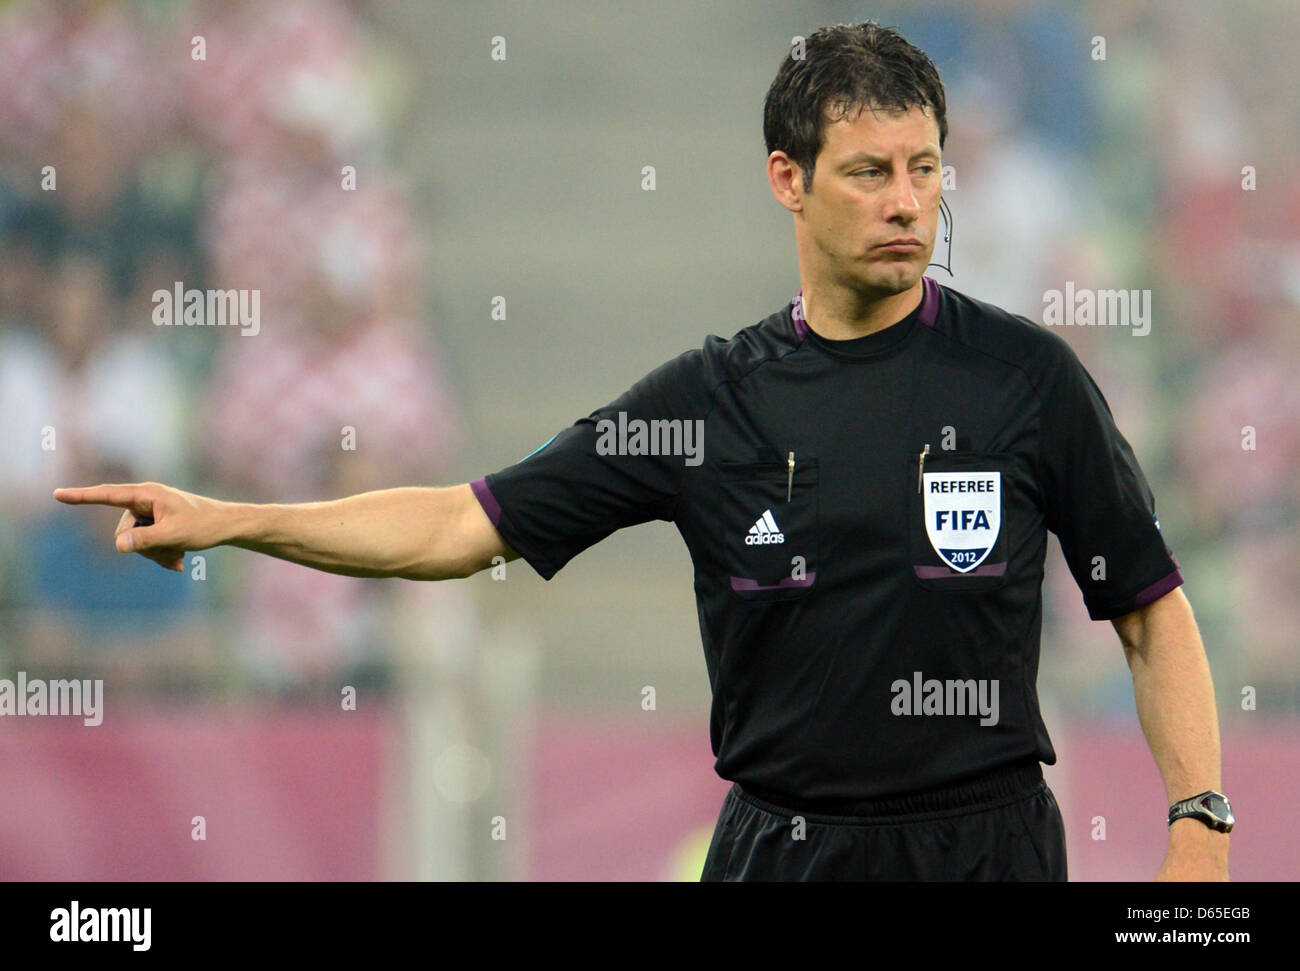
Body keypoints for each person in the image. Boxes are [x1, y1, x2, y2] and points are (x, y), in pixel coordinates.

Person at [54, 21, 1232, 881]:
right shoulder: (707, 403)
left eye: (924, 170)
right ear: (788, 179)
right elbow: (462, 523)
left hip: (987, 848)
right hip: (784, 847)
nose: (906, 202)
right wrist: (233, 517)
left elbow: (1147, 606)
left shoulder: (1026, 380)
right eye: (870, 172)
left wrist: (1198, 822)